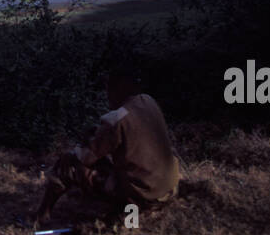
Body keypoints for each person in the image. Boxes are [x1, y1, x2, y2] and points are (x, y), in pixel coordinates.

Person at [34, 72, 181, 226]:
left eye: (109, 91)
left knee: (67, 164)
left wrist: (84, 142)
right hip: (168, 189)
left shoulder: (116, 119)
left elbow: (84, 157)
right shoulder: (147, 101)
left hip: (142, 195)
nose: (108, 96)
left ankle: (41, 216)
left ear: (117, 90)